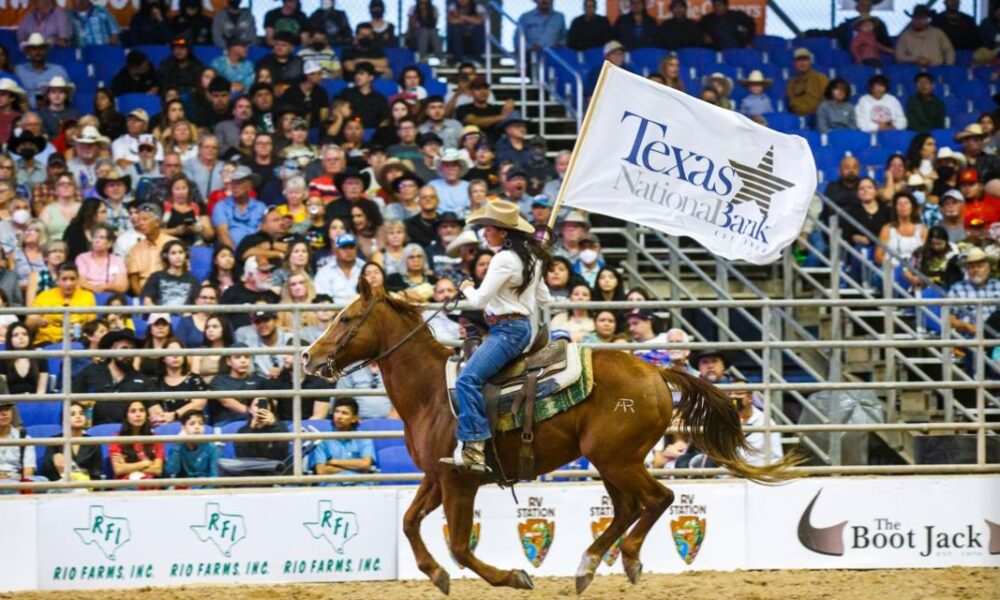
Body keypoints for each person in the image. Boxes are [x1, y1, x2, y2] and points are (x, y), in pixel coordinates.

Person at [439, 201, 550, 472]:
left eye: (489, 228)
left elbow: (478, 301)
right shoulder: (532, 259)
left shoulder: (502, 259)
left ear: (503, 232)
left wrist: (466, 287)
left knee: (467, 380)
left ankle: (474, 445)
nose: (485, 232)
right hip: (521, 327)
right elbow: (544, 299)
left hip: (506, 331)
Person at [26, 263, 95, 346]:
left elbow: (92, 325)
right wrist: (37, 321)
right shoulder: (44, 296)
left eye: (72, 279)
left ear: (77, 280)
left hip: (77, 342)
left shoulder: (88, 296)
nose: (68, 283)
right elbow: (28, 324)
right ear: (58, 280)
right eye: (64, 279)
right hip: (47, 342)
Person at [310, 398, 375, 484]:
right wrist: (354, 466)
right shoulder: (323, 438)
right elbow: (321, 471)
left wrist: (333, 462)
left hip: (359, 484)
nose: (339, 416)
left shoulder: (363, 438)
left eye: (344, 413)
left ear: (354, 418)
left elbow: (365, 465)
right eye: (337, 412)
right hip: (332, 485)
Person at [41, 401, 104, 482]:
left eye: (81, 413)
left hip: (86, 488)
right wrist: (55, 463)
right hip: (60, 488)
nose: (78, 416)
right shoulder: (55, 441)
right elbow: (46, 471)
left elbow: (96, 474)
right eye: (72, 414)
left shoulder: (93, 443)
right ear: (64, 420)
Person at [947, 247, 1000, 337]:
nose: (976, 270)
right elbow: (950, 319)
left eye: (980, 266)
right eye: (971, 267)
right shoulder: (957, 288)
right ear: (967, 270)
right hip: (970, 335)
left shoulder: (998, 286)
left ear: (988, 268)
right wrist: (967, 326)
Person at [209, 342, 266, 424]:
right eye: (237, 357)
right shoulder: (218, 380)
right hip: (226, 423)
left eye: (246, 357)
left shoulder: (259, 380)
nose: (243, 361)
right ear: (229, 361)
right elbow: (226, 402)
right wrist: (250, 411)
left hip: (253, 422)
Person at [219, 256, 281, 330]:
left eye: (269, 271)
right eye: (264, 272)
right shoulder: (232, 293)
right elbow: (221, 319)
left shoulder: (273, 296)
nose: (270, 275)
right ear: (250, 275)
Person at [109, 400, 163, 481]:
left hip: (149, 485)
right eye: (133, 411)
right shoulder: (117, 438)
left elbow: (158, 470)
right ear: (126, 416)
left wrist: (126, 466)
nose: (138, 415)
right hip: (125, 485)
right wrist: (145, 463)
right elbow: (118, 470)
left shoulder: (155, 438)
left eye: (142, 410)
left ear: (146, 415)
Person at [165, 410, 218, 481]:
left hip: (205, 487)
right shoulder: (178, 447)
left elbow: (215, 476)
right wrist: (178, 443)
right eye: (192, 424)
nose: (197, 427)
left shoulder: (212, 448)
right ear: (183, 428)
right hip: (185, 486)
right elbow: (171, 471)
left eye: (201, 424)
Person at [234, 396, 289, 462]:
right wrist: (251, 429)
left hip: (273, 468)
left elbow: (281, 455)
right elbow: (242, 456)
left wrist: (274, 426)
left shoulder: (280, 427)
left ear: (270, 408)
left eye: (265, 405)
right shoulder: (242, 431)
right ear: (250, 409)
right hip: (250, 469)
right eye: (256, 405)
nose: (260, 409)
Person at [2, 322, 48, 396]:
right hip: (10, 403)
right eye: (15, 335)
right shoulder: (3, 359)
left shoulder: (39, 357)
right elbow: (3, 390)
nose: (21, 337)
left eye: (25, 334)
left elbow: (41, 390)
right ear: (9, 339)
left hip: (35, 401)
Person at [0, 399, 37, 486]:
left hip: (16, 480)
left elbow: (29, 470)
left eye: (7, 409)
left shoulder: (24, 438)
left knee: (43, 480)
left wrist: (10, 478)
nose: (4, 413)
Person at [785, 48, 828, 117]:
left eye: (805, 59)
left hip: (817, 116)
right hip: (797, 116)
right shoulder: (791, 83)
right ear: (794, 64)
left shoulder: (820, 78)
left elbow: (827, 100)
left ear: (810, 62)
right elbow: (791, 103)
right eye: (799, 60)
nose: (802, 63)